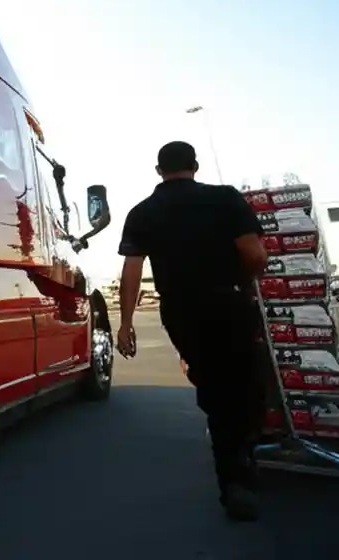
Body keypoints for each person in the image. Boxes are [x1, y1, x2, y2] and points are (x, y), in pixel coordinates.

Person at [115, 141, 270, 521]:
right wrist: (246, 283)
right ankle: (240, 466)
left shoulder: (142, 212)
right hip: (229, 302)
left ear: (158, 171)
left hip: (180, 311)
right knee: (247, 384)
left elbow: (131, 272)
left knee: (214, 386)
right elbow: (255, 255)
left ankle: (232, 473)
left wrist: (125, 324)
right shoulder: (226, 199)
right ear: (196, 165)